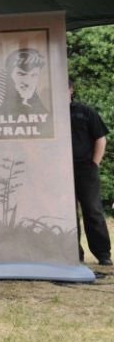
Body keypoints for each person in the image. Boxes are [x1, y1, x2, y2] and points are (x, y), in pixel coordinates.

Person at [69, 80, 112, 266]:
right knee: (67, 214)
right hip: (58, 172)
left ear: (71, 90)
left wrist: (94, 164)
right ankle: (72, 254)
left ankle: (103, 254)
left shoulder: (86, 112)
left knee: (93, 211)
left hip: (86, 169)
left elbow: (101, 138)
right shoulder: (48, 114)